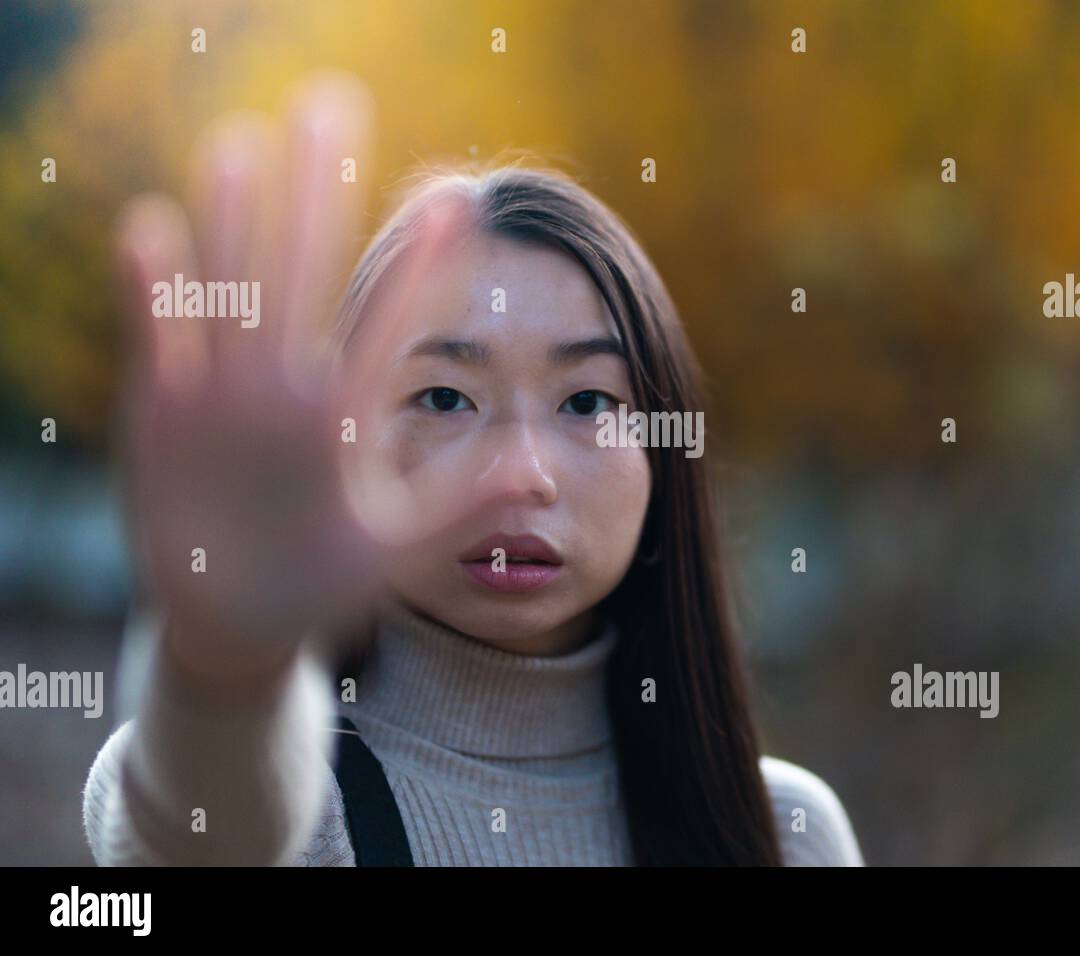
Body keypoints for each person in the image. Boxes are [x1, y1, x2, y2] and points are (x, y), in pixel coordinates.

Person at [81, 72, 865, 867]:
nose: (522, 473)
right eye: (446, 398)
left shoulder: (785, 834)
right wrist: (227, 667)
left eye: (588, 403)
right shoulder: (284, 819)